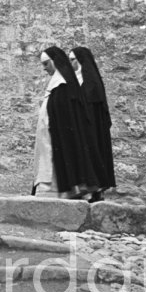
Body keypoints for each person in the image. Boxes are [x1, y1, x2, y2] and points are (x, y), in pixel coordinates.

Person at [32, 47, 103, 198]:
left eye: (46, 64)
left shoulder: (62, 85)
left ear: (55, 62)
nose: (44, 68)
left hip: (57, 137)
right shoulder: (56, 83)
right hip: (49, 137)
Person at [70, 47, 116, 200]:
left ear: (81, 60)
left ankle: (97, 191)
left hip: (93, 129)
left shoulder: (91, 82)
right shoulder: (76, 79)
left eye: (73, 60)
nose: (70, 64)